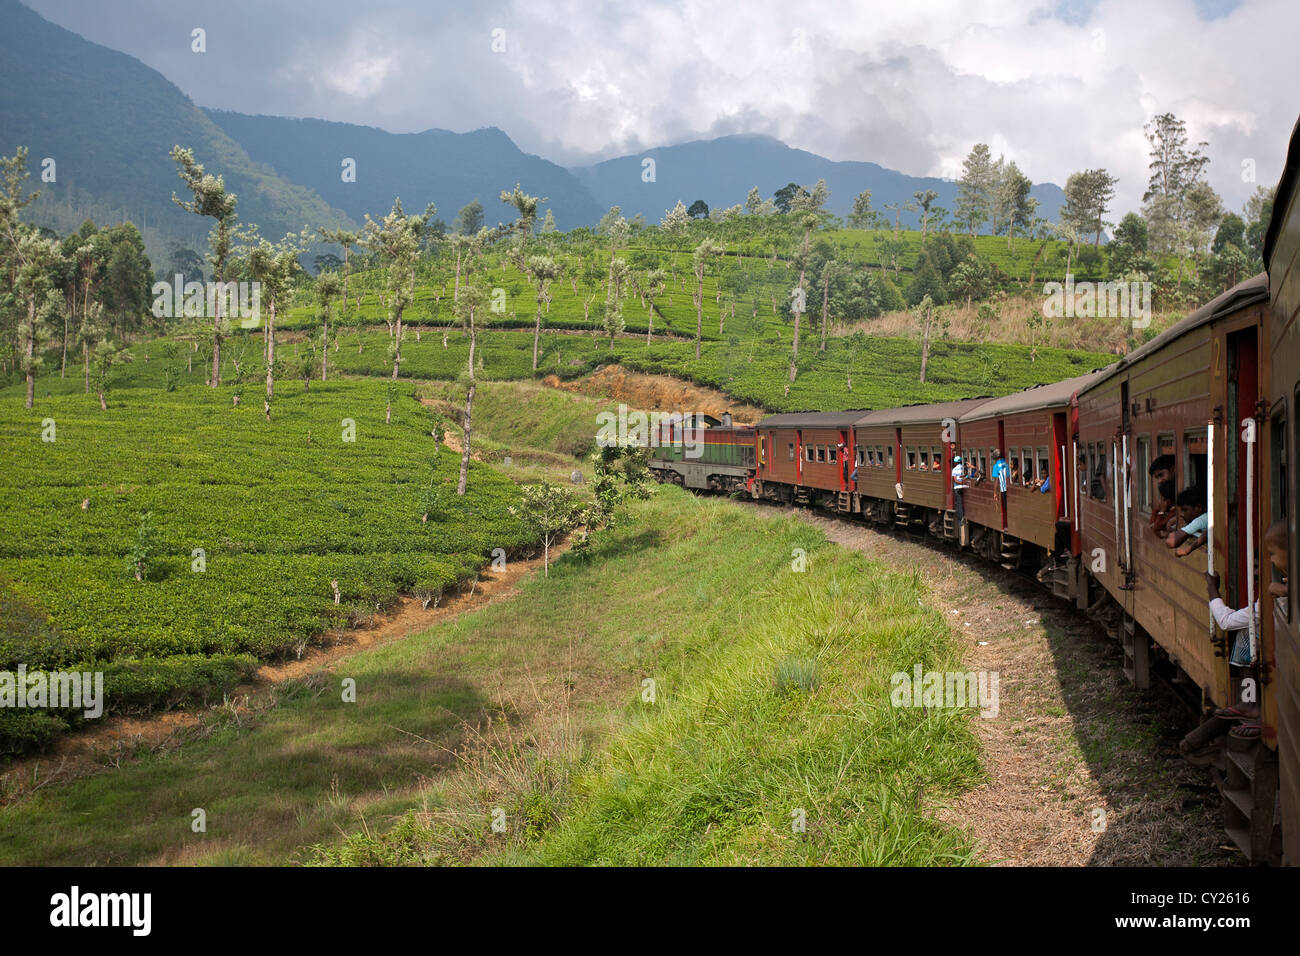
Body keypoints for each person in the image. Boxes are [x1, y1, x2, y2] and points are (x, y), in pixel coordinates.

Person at [951, 454, 969, 527]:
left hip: (957, 488)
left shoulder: (954, 469)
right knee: (965, 502)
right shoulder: (964, 468)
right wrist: (964, 481)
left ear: (955, 462)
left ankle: (961, 519)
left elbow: (955, 480)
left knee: (959, 504)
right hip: (964, 487)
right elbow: (966, 476)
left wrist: (960, 482)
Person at [991, 448, 1008, 513]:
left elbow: (996, 481)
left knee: (1006, 508)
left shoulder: (996, 466)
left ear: (995, 458)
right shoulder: (1006, 461)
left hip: (1004, 489)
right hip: (1009, 487)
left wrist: (995, 493)